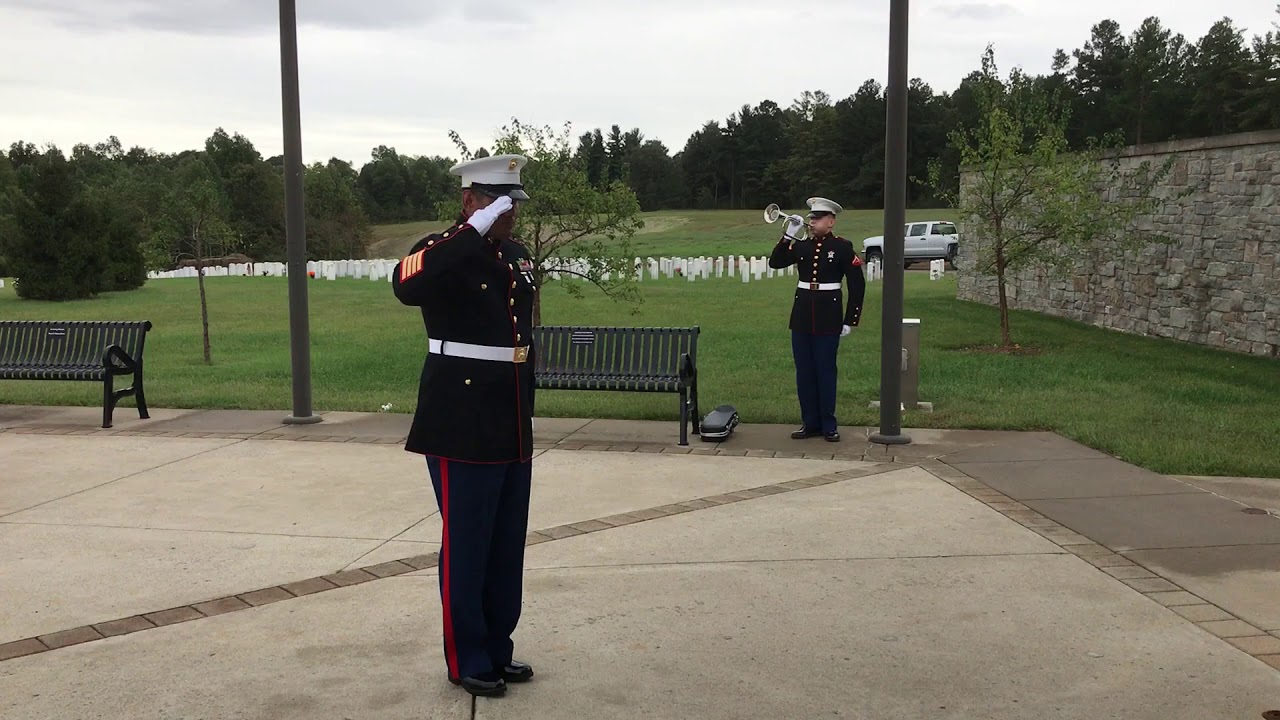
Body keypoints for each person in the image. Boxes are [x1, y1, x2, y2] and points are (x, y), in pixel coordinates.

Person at [392, 153, 538, 698]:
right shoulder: (439, 250)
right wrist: (471, 231)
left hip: (510, 415)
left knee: (505, 542)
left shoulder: (516, 255)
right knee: (468, 541)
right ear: (470, 199)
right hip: (461, 415)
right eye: (501, 204)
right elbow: (406, 286)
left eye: (515, 204)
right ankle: (468, 655)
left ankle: (499, 646)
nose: (511, 215)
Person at [767, 197, 865, 442]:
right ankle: (809, 422)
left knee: (825, 370)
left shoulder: (842, 247)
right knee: (805, 373)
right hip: (801, 316)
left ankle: (828, 424)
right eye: (810, 218)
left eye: (817, 218)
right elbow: (775, 262)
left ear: (830, 222)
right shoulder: (802, 246)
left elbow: (856, 285)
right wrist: (788, 236)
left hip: (828, 316)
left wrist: (850, 319)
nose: (811, 222)